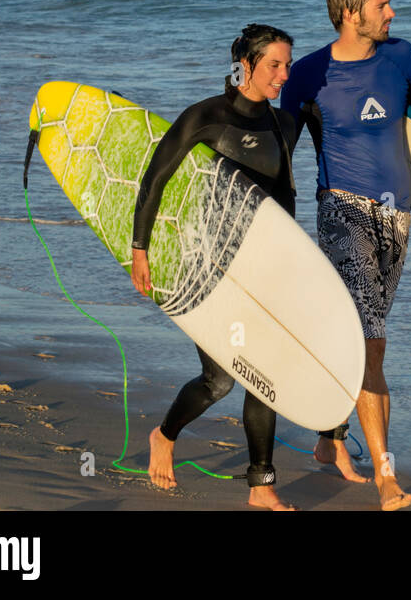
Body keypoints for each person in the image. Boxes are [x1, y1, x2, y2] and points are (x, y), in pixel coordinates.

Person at [279, 0, 411, 511]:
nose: (391, 13)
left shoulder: (402, 57)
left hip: (398, 216)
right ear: (352, 13)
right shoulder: (308, 74)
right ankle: (384, 473)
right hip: (341, 210)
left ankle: (330, 437)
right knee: (372, 340)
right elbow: (277, 152)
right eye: (383, 5)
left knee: (360, 331)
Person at [130, 25, 298, 510]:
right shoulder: (207, 116)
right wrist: (140, 250)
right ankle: (164, 434)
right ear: (245, 66)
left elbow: (285, 197)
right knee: (219, 380)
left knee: (263, 372)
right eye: (274, 65)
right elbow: (155, 178)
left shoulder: (286, 125)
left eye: (288, 65)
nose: (284, 75)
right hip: (212, 265)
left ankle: (261, 485)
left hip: (268, 268)